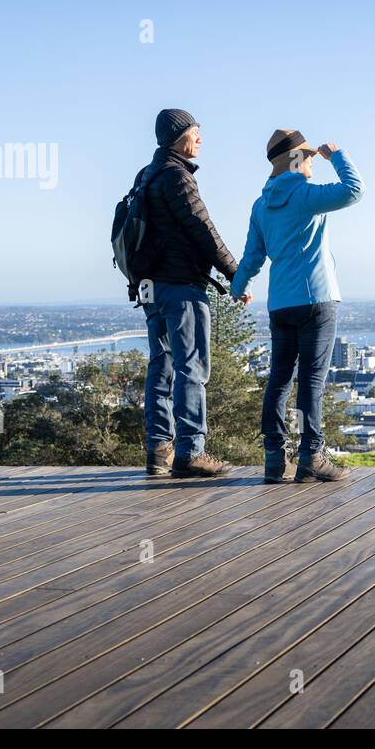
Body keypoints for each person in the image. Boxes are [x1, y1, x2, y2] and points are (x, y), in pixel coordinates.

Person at [230, 129, 363, 484]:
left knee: (279, 379)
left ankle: (274, 458)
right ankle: (311, 457)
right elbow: (354, 190)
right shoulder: (305, 195)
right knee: (311, 381)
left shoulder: (260, 206)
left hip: (281, 305)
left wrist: (238, 288)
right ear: (297, 159)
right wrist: (337, 155)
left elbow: (252, 257)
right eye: (309, 158)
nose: (313, 164)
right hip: (317, 301)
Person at [137, 109, 250, 478]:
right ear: (179, 137)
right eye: (196, 132)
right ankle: (190, 451)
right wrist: (236, 274)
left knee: (161, 365)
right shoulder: (177, 177)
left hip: (151, 288)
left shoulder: (146, 175)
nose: (201, 139)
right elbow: (203, 229)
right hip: (182, 286)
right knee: (192, 368)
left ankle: (158, 450)